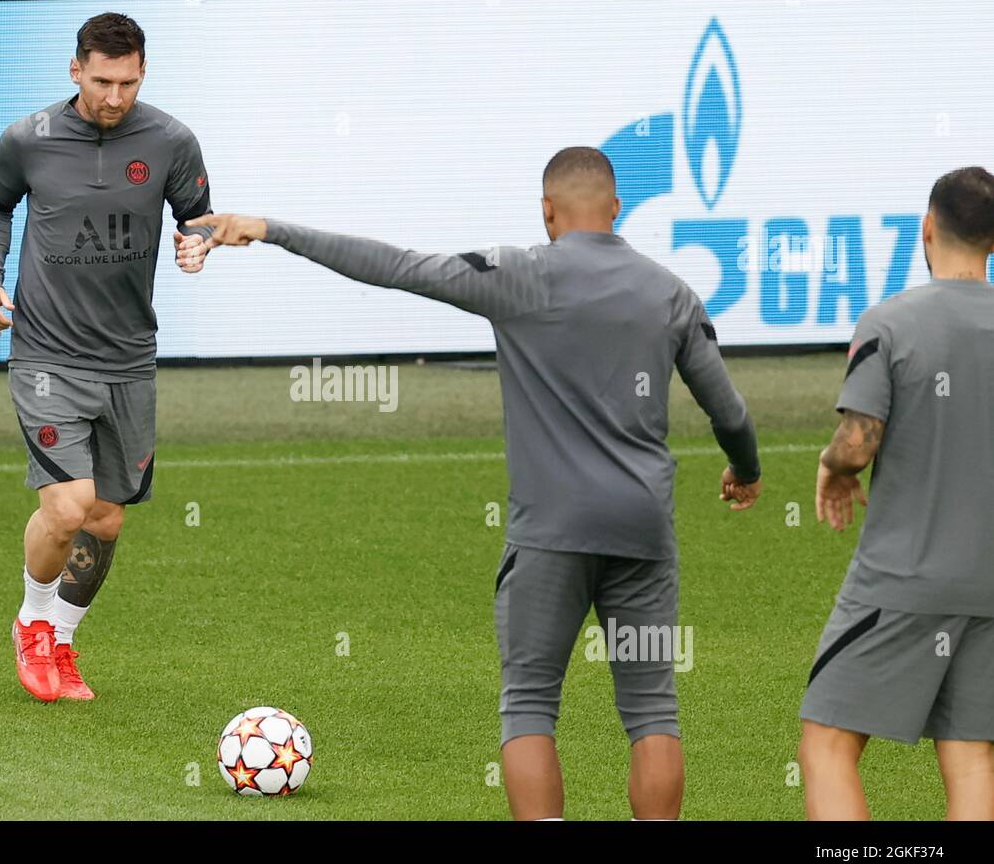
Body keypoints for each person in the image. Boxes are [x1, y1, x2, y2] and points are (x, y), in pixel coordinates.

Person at [186, 145, 762, 819]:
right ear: (616, 209)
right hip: (642, 530)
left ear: (547, 211)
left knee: (529, 703)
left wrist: (271, 228)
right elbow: (729, 410)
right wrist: (744, 470)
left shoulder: (515, 274)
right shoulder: (671, 292)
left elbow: (395, 267)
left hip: (550, 532)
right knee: (652, 707)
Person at [0, 13, 214, 703]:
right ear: (75, 68)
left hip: (130, 358)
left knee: (107, 518)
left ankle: (64, 639)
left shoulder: (171, 140)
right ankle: (30, 622)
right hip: (45, 353)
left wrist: (197, 242)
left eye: (129, 83)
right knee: (71, 506)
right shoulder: (28, 139)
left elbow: (194, 212)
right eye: (103, 80)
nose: (115, 97)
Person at [800, 167, 994, 821]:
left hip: (904, 580)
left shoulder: (890, 323)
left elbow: (858, 441)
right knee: (971, 756)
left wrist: (835, 465)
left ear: (928, 228)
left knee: (827, 741)